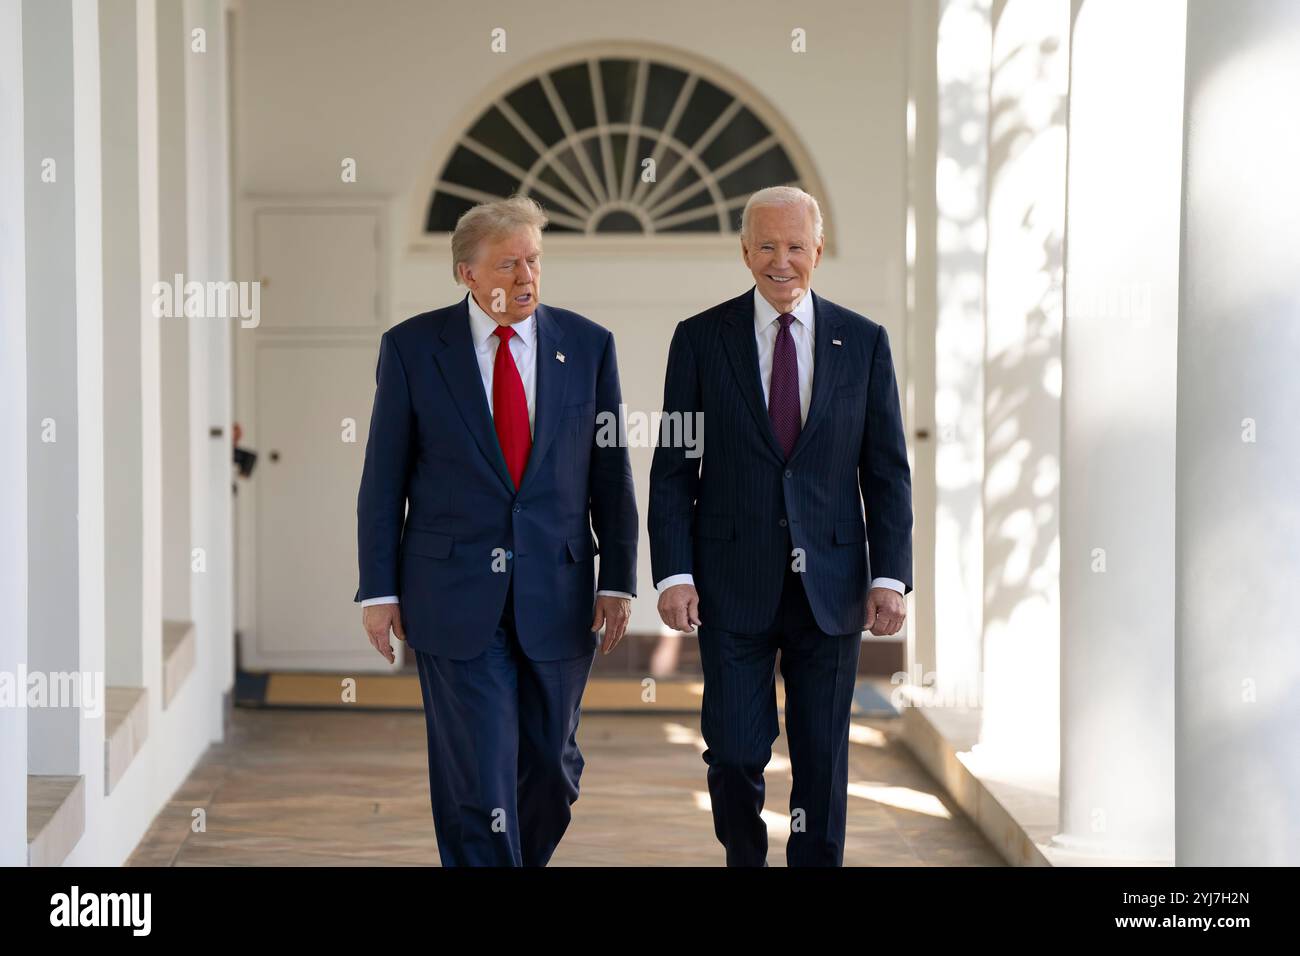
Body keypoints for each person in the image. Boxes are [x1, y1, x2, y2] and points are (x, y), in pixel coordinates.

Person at [355, 195, 638, 866]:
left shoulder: (589, 347)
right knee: (479, 781)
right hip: (451, 595)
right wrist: (378, 590)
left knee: (552, 770)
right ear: (467, 275)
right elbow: (382, 480)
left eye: (534, 261)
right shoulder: (413, 349)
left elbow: (612, 475)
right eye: (508, 264)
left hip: (560, 593)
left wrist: (620, 579)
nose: (525, 278)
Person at [648, 186, 913, 866]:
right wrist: (673, 572)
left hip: (833, 584)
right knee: (735, 750)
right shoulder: (701, 340)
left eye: (795, 246)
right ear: (744, 252)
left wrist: (890, 577)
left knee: (823, 759)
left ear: (818, 251)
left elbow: (886, 473)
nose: (781, 261)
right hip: (730, 583)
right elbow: (675, 468)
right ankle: (746, 856)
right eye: (766, 246)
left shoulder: (864, 342)